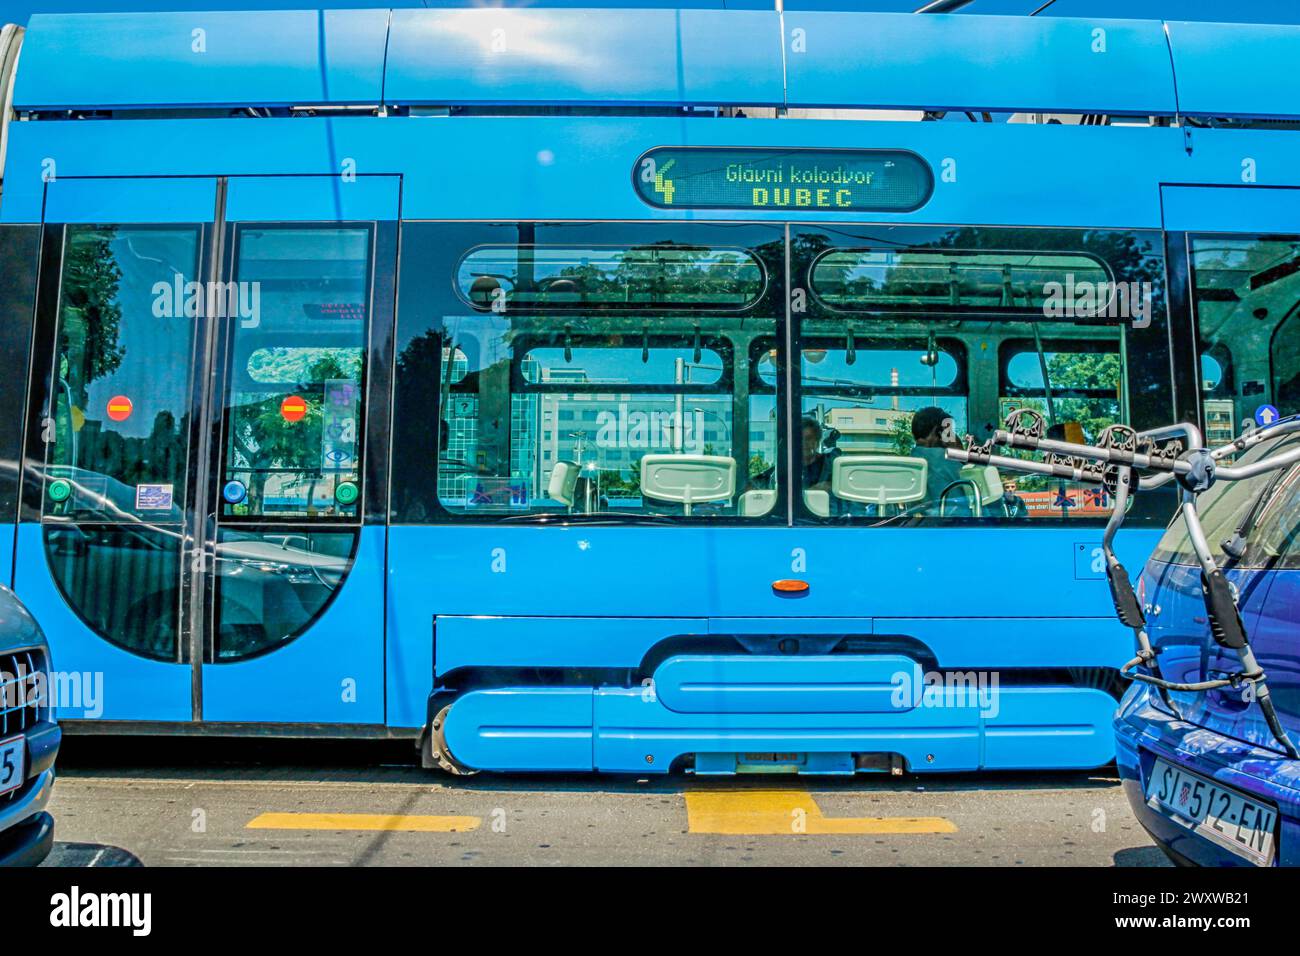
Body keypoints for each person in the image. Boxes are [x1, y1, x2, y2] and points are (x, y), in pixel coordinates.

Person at [908, 406, 971, 516]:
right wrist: (959, 454)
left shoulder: (909, 462)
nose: (950, 437)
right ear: (937, 431)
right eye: (949, 432)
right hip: (957, 526)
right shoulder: (947, 460)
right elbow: (980, 495)